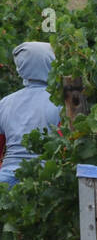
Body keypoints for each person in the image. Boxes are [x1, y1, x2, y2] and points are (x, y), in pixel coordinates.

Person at [0, 42, 61, 186]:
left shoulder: (5, 103)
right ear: (51, 62)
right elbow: (65, 146)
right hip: (45, 178)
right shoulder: (61, 101)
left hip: (6, 179)